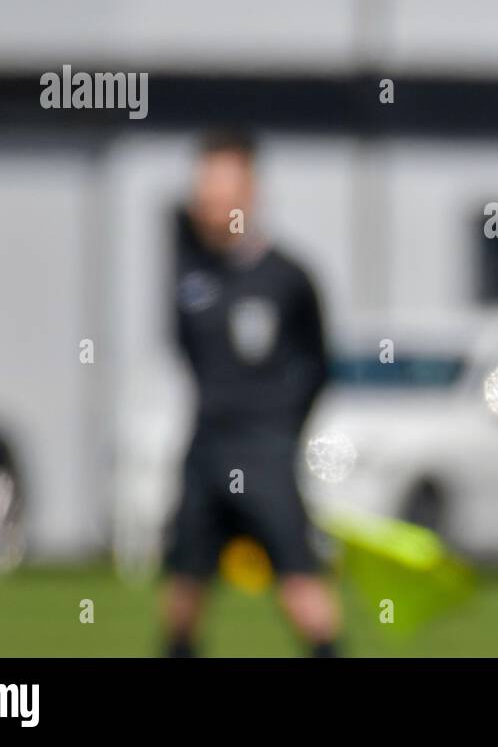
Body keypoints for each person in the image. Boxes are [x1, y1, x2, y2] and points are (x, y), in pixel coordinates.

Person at [160, 129, 343, 657]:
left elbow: (316, 365)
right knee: (181, 597)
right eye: (205, 193)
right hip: (204, 452)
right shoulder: (191, 279)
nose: (212, 205)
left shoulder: (288, 278)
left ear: (249, 193)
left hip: (265, 455)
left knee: (302, 589)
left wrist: (279, 430)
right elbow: (188, 355)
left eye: (223, 192)